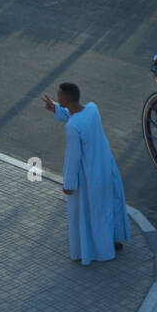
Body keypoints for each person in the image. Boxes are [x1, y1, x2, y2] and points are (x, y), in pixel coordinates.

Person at [41, 83, 131, 265]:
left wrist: (68, 184)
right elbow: (78, 118)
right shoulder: (92, 108)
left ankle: (100, 250)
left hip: (90, 176)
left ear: (66, 99)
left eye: (59, 97)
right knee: (108, 206)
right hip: (106, 167)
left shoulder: (72, 127)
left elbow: (73, 158)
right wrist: (57, 109)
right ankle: (114, 240)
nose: (57, 98)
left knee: (93, 213)